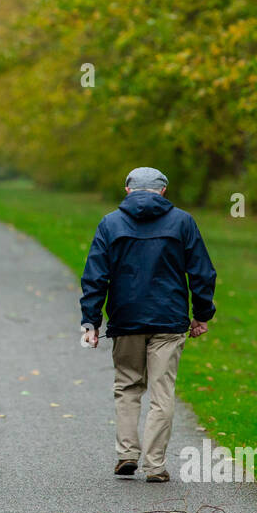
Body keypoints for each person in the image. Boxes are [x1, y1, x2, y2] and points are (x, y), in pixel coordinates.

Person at [79, 167, 217, 482]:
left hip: (126, 318)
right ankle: (155, 466)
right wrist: (202, 314)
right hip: (169, 320)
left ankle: (127, 454)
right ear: (163, 191)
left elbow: (95, 276)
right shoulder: (182, 222)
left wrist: (91, 321)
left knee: (127, 386)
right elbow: (202, 273)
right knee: (162, 391)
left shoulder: (110, 223)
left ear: (127, 191)